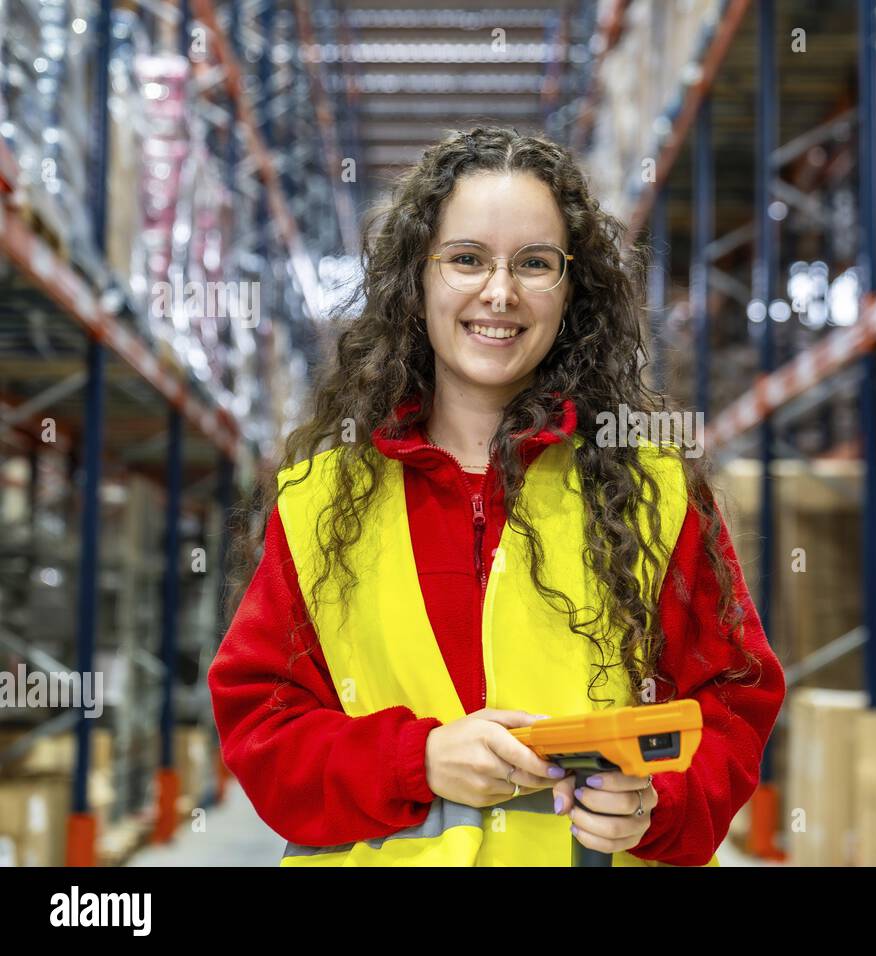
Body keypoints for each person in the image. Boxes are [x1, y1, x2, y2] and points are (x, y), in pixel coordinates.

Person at [208, 126, 786, 866]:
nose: (500, 292)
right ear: (416, 278)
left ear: (572, 289)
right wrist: (415, 761)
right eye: (467, 259)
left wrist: (659, 804)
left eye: (535, 264)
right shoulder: (321, 502)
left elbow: (734, 702)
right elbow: (262, 722)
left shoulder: (654, 494)